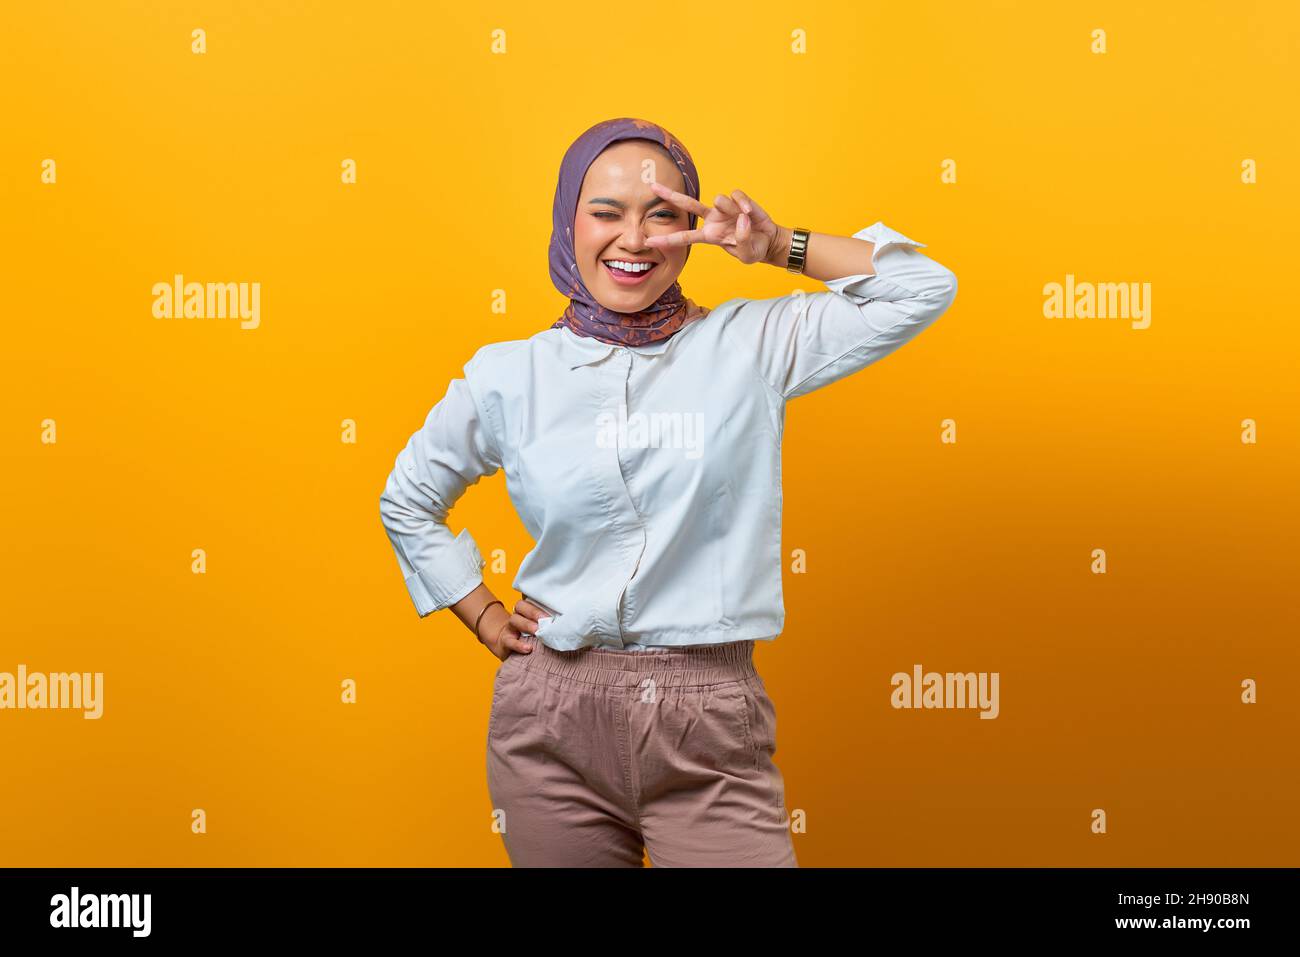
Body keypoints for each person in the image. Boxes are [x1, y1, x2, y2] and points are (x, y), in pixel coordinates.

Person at [379, 116, 958, 867]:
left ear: (692, 229)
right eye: (607, 212)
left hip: (707, 720)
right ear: (568, 220)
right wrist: (482, 612)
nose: (635, 239)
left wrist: (776, 244)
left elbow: (920, 286)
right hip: (550, 718)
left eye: (663, 214)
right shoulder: (507, 375)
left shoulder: (751, 345)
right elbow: (408, 498)